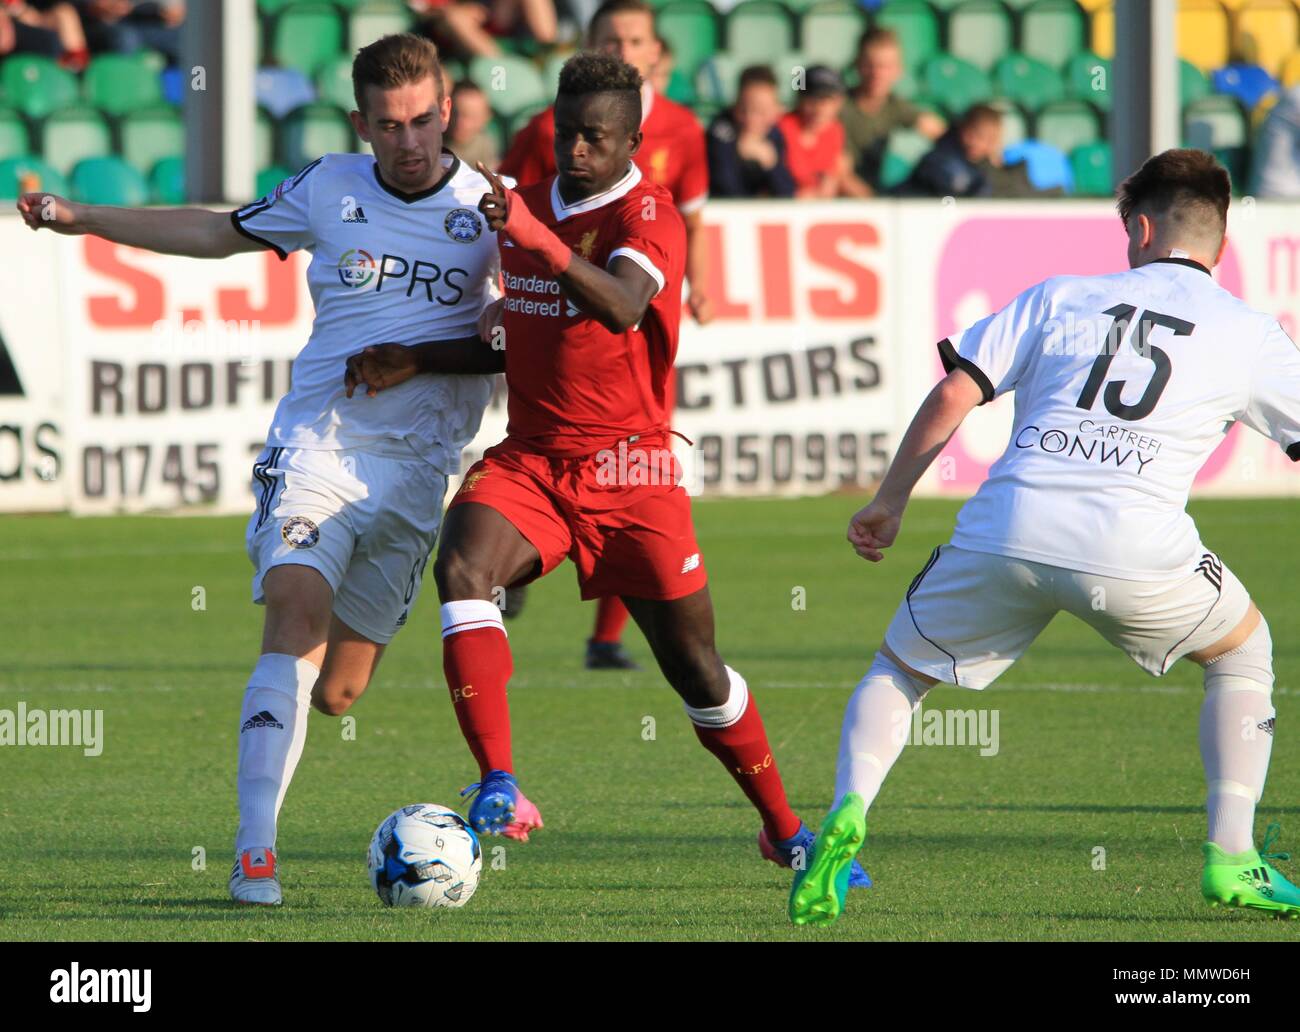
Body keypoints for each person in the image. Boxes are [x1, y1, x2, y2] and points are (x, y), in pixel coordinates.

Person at [347, 52, 871, 887]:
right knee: (463, 566)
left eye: (596, 137)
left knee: (695, 668)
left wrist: (533, 237)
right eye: (566, 134)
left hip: (633, 473)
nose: (577, 151)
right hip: (535, 460)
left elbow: (622, 304)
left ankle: (784, 829)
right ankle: (499, 782)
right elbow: (511, 332)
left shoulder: (649, 214)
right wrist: (417, 356)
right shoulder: (532, 204)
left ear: (633, 139)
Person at [17, 33, 514, 907]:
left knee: (340, 693)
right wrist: (82, 219)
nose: (408, 141)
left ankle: (289, 765)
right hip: (319, 445)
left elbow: (517, 341)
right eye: (389, 125)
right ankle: (254, 857)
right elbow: (217, 230)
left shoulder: (493, 212)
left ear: (449, 110)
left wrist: (419, 359)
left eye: (424, 120)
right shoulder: (328, 186)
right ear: (362, 123)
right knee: (294, 611)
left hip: (416, 476)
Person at [789, 148, 1300, 925]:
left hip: (1009, 527)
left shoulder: (1062, 294)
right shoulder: (1251, 333)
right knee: (1242, 652)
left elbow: (956, 389)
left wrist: (890, 501)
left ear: (1138, 227)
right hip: (1136, 548)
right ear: (1221, 244)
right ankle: (1232, 855)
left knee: (897, 670)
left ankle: (849, 813)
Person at [499, 0, 713, 669]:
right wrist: (501, 294)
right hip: (563, 305)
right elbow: (512, 210)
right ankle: (518, 559)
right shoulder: (544, 129)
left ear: (657, 52)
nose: (624, 47)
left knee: (632, 464)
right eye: (611, 37)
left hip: (640, 291)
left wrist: (696, 279)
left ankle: (607, 636)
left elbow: (688, 220)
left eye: (635, 38)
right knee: (567, 447)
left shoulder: (682, 130)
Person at [841, 27, 944, 193]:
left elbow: (937, 130)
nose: (877, 74)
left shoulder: (895, 106)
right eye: (870, 65)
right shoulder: (838, 107)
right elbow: (836, 171)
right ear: (857, 65)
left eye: (885, 67)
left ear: (898, 70)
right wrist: (872, 203)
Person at [777, 65, 867, 199]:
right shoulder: (781, 128)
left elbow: (836, 179)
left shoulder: (835, 131)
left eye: (826, 99)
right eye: (812, 99)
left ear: (838, 103)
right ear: (799, 100)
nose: (819, 109)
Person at [707, 64, 795, 199]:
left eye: (761, 111)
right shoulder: (720, 132)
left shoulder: (775, 134)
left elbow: (787, 193)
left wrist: (770, 163)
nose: (751, 119)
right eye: (744, 109)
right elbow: (727, 191)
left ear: (776, 110)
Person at [896, 103, 1002, 198]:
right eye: (985, 138)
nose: (991, 146)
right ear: (967, 133)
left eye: (993, 140)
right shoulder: (940, 160)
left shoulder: (982, 165)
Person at [448, 78, 500, 170]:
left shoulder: (485, 146)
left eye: (473, 116)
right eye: (455, 113)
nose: (462, 123)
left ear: (486, 118)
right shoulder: (435, 143)